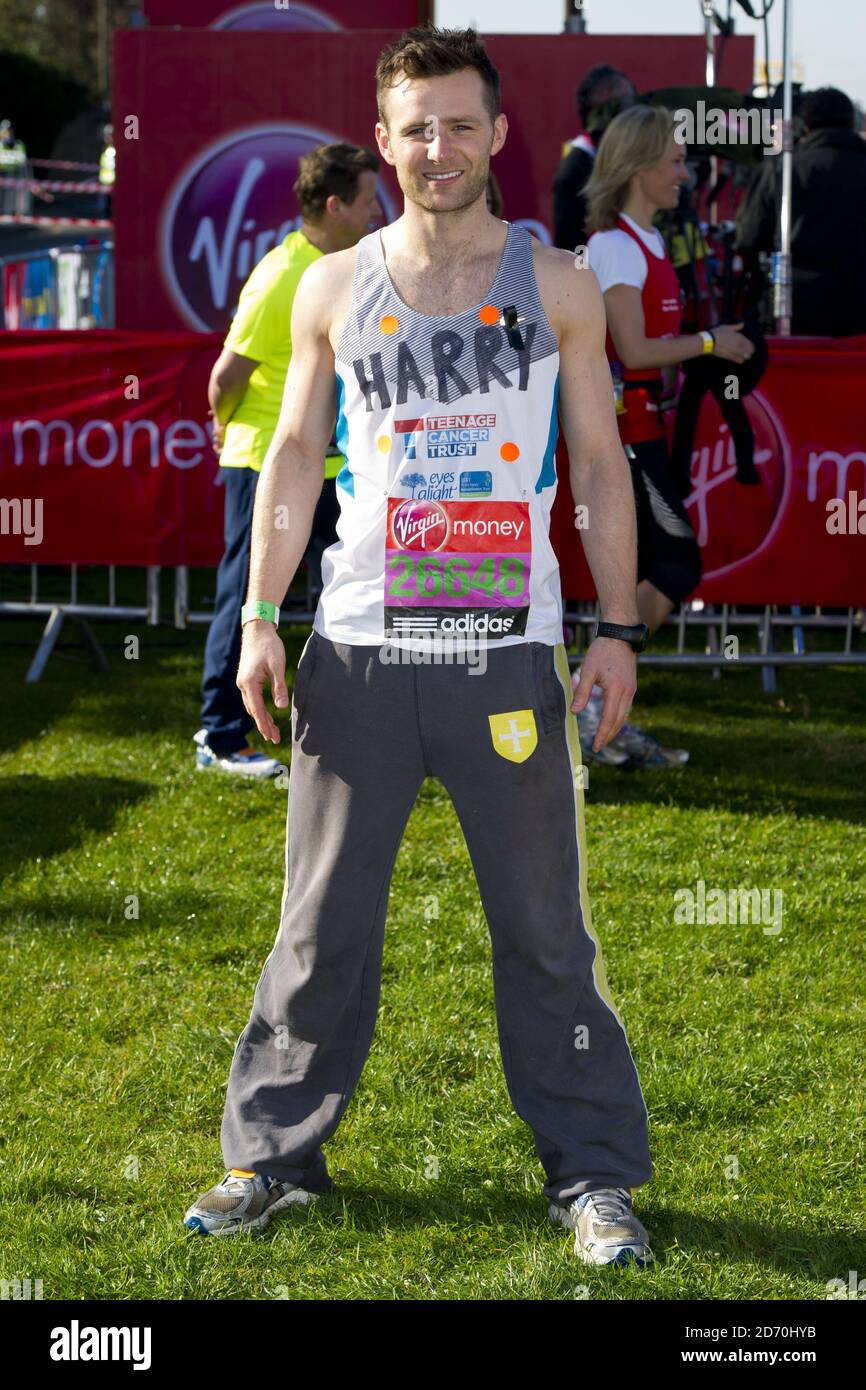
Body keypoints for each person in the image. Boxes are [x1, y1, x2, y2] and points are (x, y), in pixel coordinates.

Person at [184, 23, 655, 1267]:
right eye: (413, 128)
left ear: (496, 135)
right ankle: (271, 1158)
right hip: (360, 655)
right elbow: (289, 457)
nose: (435, 148)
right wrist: (257, 615)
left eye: (458, 124)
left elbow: (601, 467)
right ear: (382, 144)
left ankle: (595, 1177)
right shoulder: (333, 286)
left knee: (544, 931)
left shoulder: (551, 283)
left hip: (505, 656)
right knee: (320, 923)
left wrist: (614, 631)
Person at [195, 142, 382, 778]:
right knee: (247, 601)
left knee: (360, 588)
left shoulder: (342, 267)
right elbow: (225, 377)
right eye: (368, 200)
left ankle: (370, 721)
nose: (379, 211)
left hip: (332, 469)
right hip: (264, 467)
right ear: (335, 206)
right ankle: (220, 735)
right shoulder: (283, 275)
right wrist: (224, 430)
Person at [583, 105, 755, 768]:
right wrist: (713, 341)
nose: (687, 173)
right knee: (677, 564)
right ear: (639, 166)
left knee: (652, 571)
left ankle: (603, 705)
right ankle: (595, 698)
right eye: (676, 161)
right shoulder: (617, 245)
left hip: (642, 428)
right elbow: (634, 347)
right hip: (623, 432)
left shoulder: (647, 242)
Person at [736, 86, 866, 337]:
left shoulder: (783, 170)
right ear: (851, 122)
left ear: (804, 125)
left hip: (796, 309)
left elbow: (749, 237)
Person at [553, 64, 636, 253]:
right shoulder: (574, 169)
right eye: (611, 106)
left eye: (626, 100)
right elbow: (569, 246)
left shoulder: (635, 160)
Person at [0, 119, 28, 216]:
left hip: (15, 177)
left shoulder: (18, 145)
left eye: (9, 131)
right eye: (4, 131)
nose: (6, 134)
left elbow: (22, 162)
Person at [98, 123, 115, 220]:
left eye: (108, 136)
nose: (106, 138)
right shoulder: (107, 150)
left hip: (113, 183)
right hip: (106, 183)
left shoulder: (113, 151)